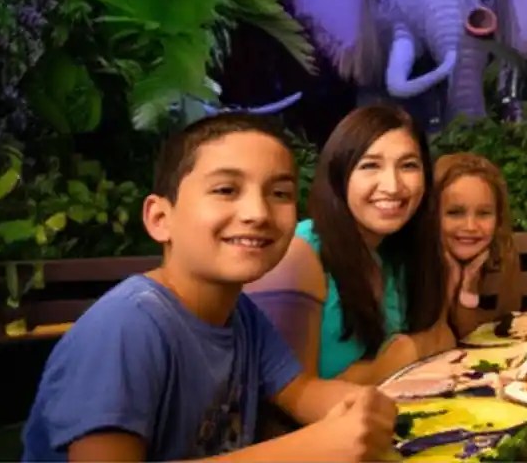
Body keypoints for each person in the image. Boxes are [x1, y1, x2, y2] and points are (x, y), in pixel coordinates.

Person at [22, 113, 397, 462]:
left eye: (279, 193)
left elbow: (300, 392)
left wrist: (362, 406)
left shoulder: (242, 316)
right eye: (225, 190)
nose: (258, 213)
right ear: (159, 218)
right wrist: (309, 448)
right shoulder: (127, 326)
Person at [247, 104, 454, 384]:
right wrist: (400, 356)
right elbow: (287, 397)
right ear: (339, 175)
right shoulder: (301, 254)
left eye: (408, 166)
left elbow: (444, 336)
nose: (392, 186)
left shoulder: (400, 251)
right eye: (370, 165)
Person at [435, 152, 521, 338]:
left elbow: (483, 337)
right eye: (455, 213)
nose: (471, 227)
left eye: (483, 213)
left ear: (498, 218)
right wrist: (450, 286)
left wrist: (468, 289)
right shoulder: (411, 262)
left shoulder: (502, 256)